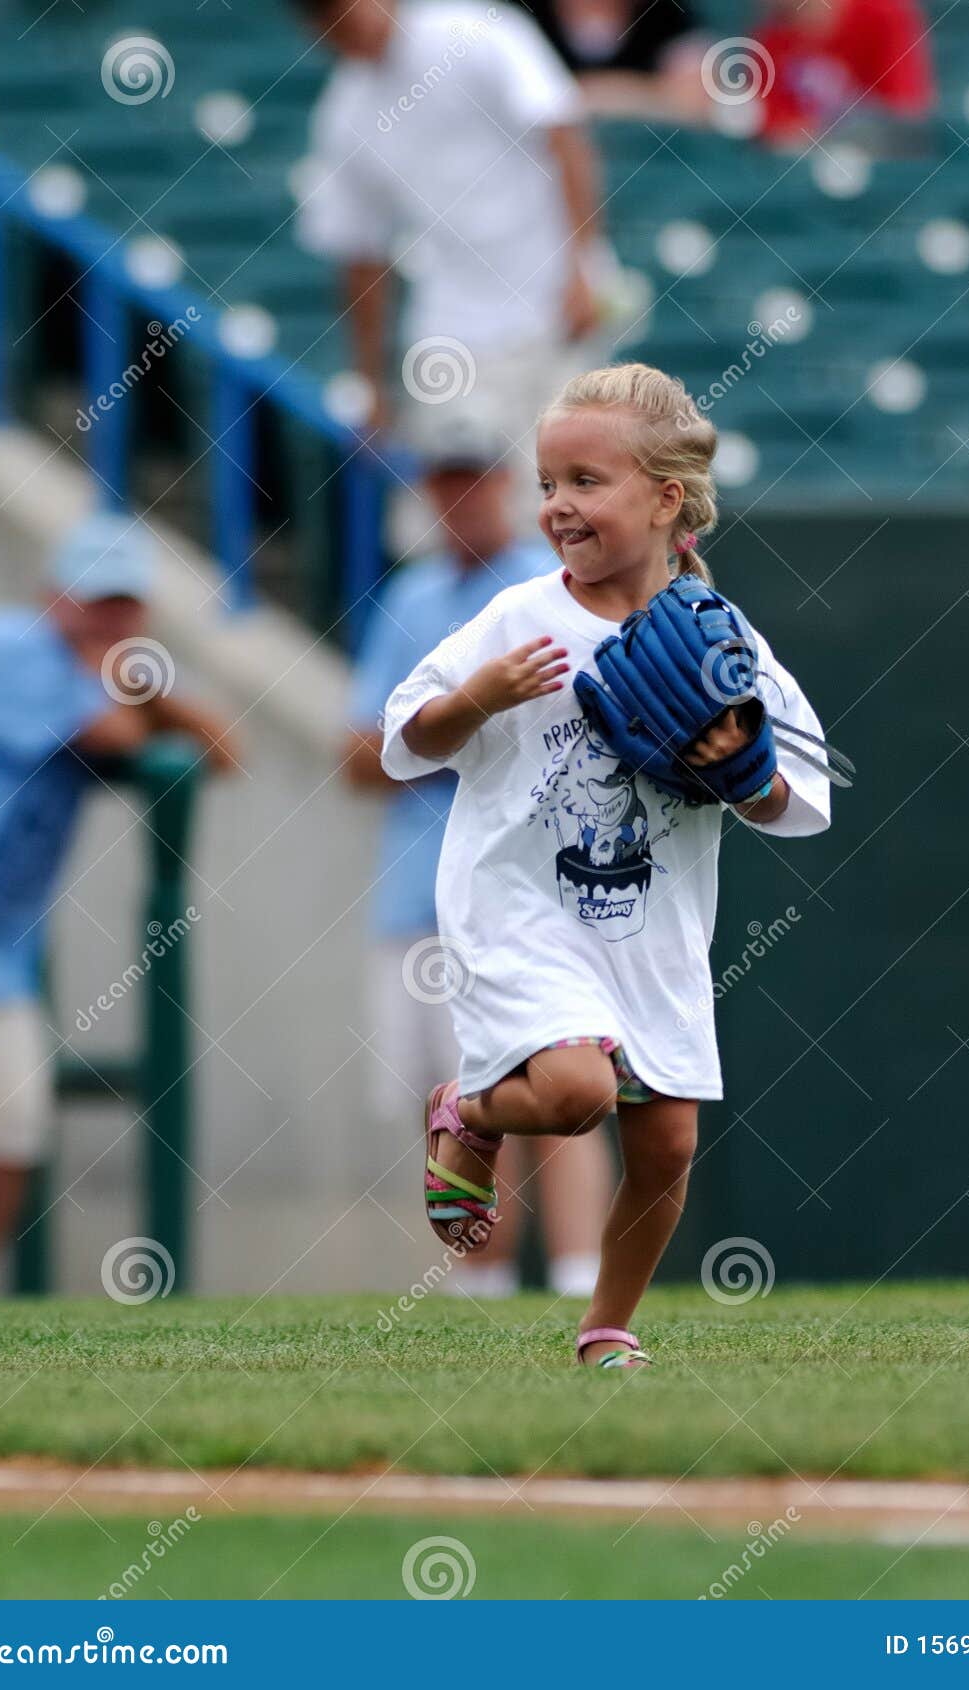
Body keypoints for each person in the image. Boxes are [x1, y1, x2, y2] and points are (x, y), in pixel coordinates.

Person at [379, 362, 834, 1368]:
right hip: (521, 907)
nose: (557, 505)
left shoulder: (722, 642)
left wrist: (744, 771)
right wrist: (481, 697)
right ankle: (469, 1110)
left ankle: (605, 1329)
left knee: (667, 1145)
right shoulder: (519, 617)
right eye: (548, 482)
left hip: (650, 924)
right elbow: (404, 736)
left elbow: (797, 797)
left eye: (586, 480)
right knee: (577, 1091)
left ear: (667, 499)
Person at [343, 424, 612, 1298]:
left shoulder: (548, 591)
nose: (458, 501)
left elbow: (563, 737)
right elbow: (363, 754)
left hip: (537, 888)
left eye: (473, 481)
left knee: (561, 1086)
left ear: (505, 487)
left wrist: (446, 731)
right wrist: (464, 726)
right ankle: (479, 1289)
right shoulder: (410, 596)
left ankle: (579, 1280)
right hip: (420, 896)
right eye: (443, 484)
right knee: (455, 1100)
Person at [0, 513, 238, 1296]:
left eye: (123, 603)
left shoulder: (98, 670)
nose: (109, 618)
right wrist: (139, 684)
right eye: (93, 600)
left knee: (7, 1134)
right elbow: (117, 733)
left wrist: (144, 684)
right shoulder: (7, 645)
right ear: (53, 596)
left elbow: (223, 751)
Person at [291, 0, 613, 537]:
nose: (349, 20)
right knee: (448, 528)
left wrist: (584, 267)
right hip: (452, 331)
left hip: (554, 305)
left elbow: (564, 135)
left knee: (569, 511)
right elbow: (360, 257)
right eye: (327, 15)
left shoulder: (477, 32)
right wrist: (371, 384)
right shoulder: (343, 116)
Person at [753, 0, 935, 147]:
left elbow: (905, 117)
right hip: (804, 169)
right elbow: (772, 131)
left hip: (878, 160)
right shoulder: (771, 39)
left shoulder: (884, 14)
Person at [519, 0, 711, 120]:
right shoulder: (519, 14)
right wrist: (651, 92)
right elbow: (518, 99)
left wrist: (570, 95)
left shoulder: (669, 14)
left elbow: (693, 101)